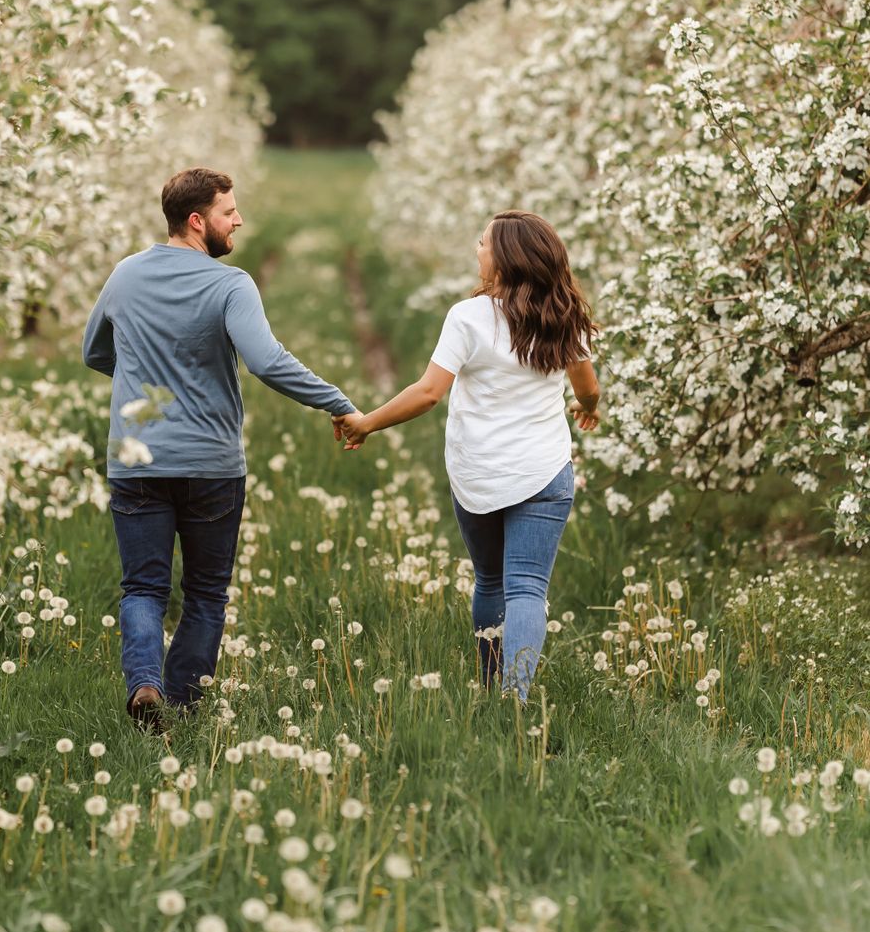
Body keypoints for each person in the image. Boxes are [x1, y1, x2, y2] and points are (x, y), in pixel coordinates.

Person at [83, 167, 360, 726]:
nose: (238, 220)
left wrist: (140, 373)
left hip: (136, 457)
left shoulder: (125, 275)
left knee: (142, 586)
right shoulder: (230, 284)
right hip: (210, 463)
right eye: (228, 211)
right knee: (207, 592)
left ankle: (145, 685)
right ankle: (181, 708)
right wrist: (337, 402)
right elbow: (266, 361)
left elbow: (95, 352)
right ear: (196, 220)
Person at [339, 211, 599, 703]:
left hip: (479, 472)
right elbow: (586, 387)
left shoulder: (468, 317)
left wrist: (368, 421)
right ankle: (515, 699)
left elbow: (429, 392)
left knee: (492, 580)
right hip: (546, 471)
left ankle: (490, 685)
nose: (477, 252)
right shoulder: (564, 314)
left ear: (503, 258)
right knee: (528, 589)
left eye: (482, 244)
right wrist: (587, 409)